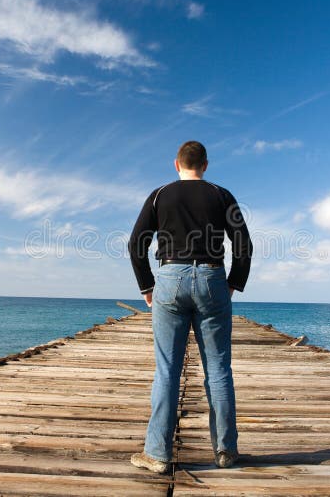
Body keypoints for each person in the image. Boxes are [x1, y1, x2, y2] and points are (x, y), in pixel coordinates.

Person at [127, 140, 253, 473]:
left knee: (167, 369)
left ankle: (157, 454)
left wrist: (147, 286)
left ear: (176, 164)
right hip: (212, 276)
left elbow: (136, 241)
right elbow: (244, 243)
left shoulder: (159, 194)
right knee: (219, 369)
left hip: (170, 276)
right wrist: (232, 283)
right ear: (206, 165)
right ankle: (225, 451)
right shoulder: (222, 195)